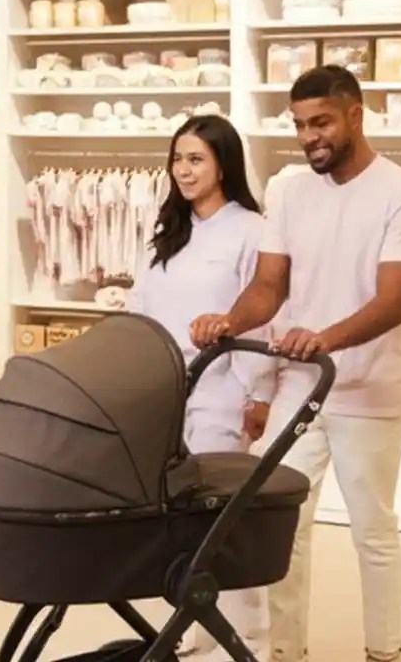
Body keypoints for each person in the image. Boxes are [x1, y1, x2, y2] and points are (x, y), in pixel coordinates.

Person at [190, 65, 401, 662]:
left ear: (356, 113)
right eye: (299, 125)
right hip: (302, 386)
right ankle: (285, 653)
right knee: (282, 526)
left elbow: (393, 300)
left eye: (321, 121)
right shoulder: (288, 189)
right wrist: (231, 319)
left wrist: (323, 337)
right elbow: (270, 285)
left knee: (371, 530)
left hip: (370, 387)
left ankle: (384, 651)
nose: (309, 136)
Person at [126, 114, 278, 659]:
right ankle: (195, 627)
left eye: (196, 159)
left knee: (224, 521)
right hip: (165, 394)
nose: (183, 170)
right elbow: (141, 304)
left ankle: (249, 639)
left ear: (223, 164)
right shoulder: (170, 230)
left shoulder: (252, 230)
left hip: (221, 392)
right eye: (177, 159)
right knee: (181, 520)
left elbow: (262, 317)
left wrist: (259, 394)